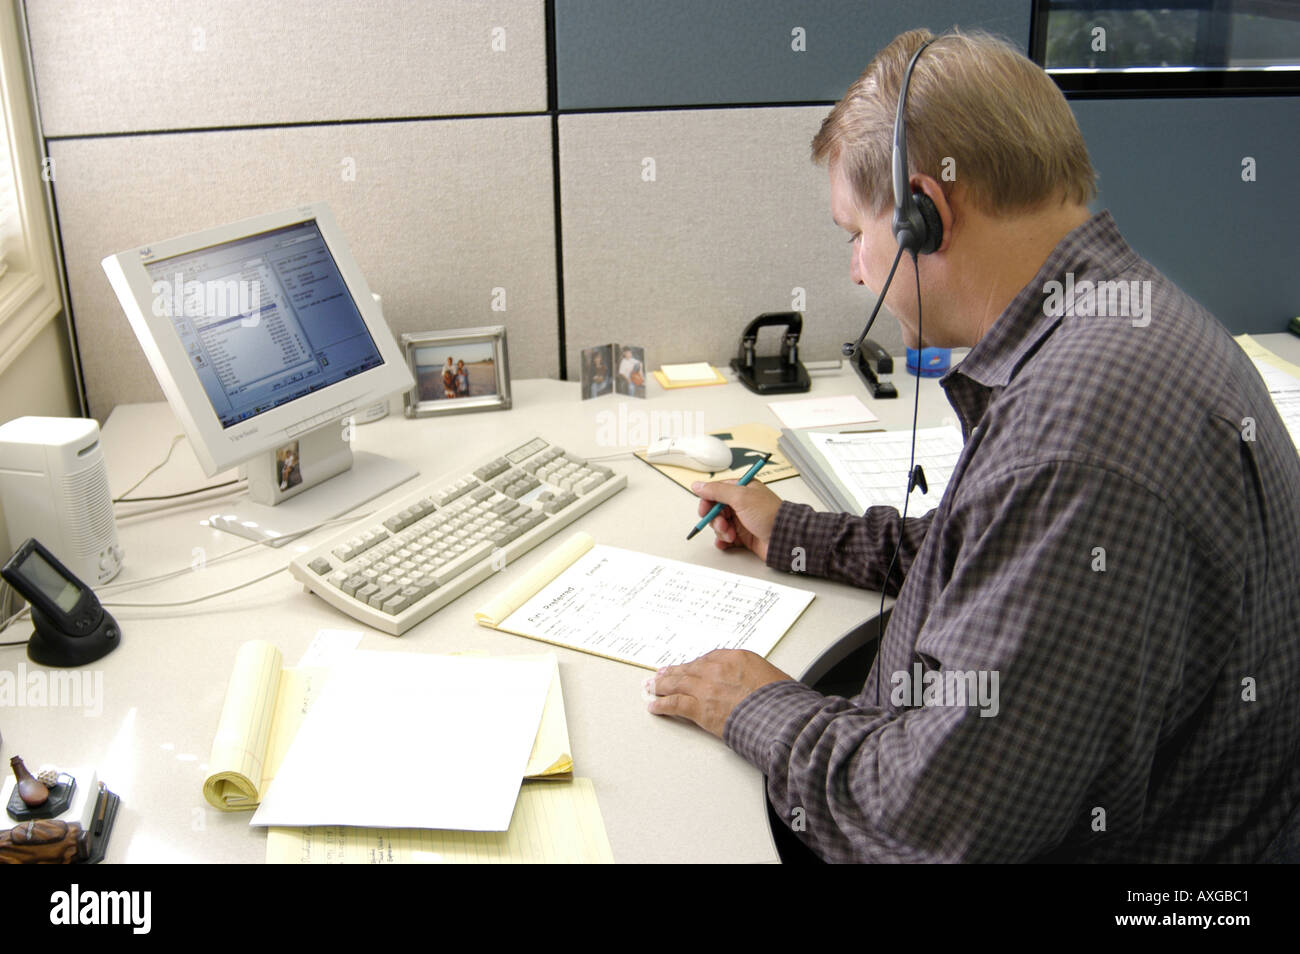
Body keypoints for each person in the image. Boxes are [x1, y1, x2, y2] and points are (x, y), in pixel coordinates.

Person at [647, 28, 1300, 862]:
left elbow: (924, 828)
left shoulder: (1078, 442)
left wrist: (753, 702)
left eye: (856, 233)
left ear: (928, 216)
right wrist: (799, 535)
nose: (855, 270)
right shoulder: (1115, 313)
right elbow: (994, 550)